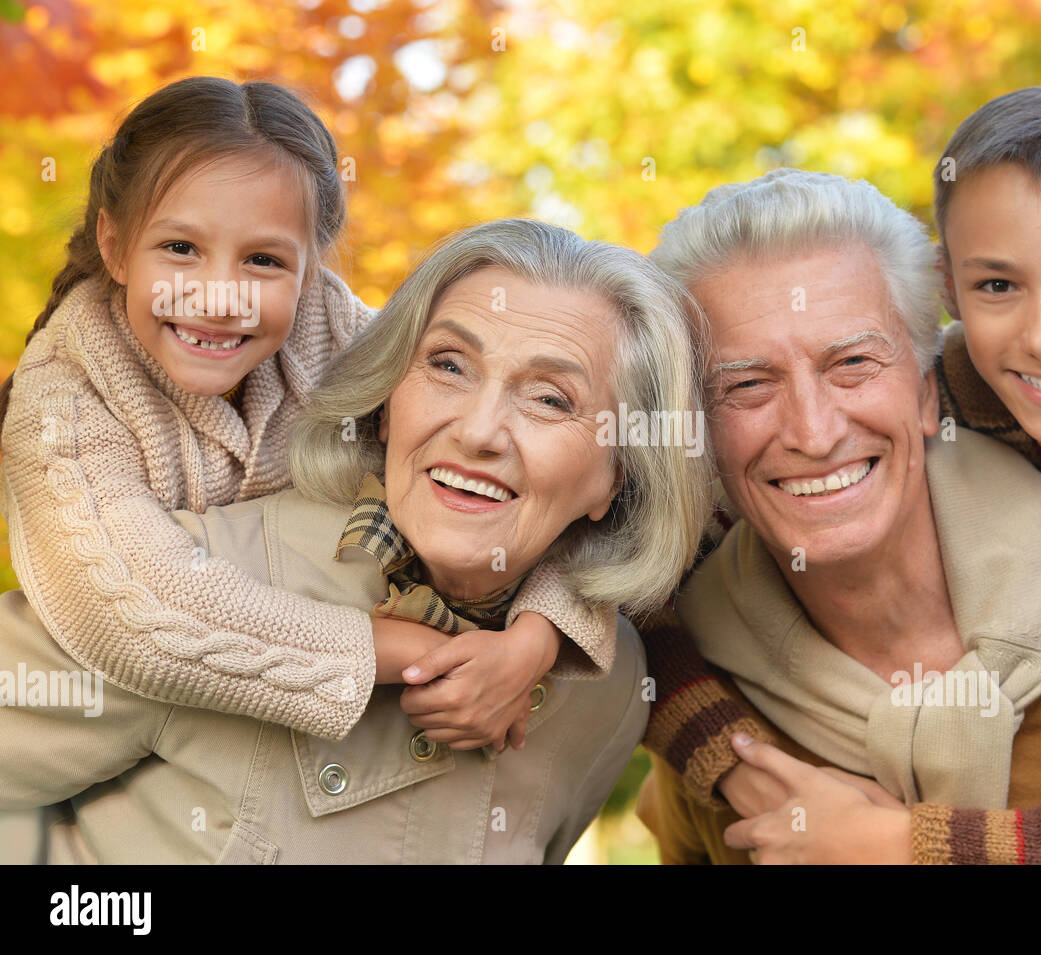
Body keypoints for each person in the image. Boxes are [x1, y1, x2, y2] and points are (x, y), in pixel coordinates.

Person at [635, 167, 1041, 864]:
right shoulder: (708, 684)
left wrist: (906, 850)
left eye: (854, 363)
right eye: (747, 384)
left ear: (928, 393)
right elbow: (607, 582)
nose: (814, 430)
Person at [0, 218, 713, 863]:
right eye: (448, 365)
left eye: (551, 399)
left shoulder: (607, 692)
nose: (476, 430)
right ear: (382, 406)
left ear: (618, 478)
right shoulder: (194, 588)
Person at [0, 76, 615, 755]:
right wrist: (393, 647)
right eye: (181, 250)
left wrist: (535, 637)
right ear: (114, 244)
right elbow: (127, 608)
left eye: (263, 260)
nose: (217, 298)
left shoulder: (338, 335)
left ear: (310, 266)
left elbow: (572, 488)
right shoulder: (64, 402)